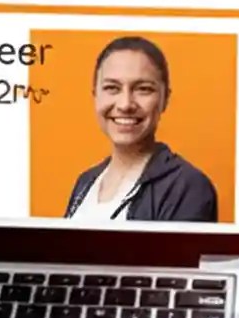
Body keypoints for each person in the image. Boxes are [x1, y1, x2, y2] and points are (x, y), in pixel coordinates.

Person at [64, 36, 218, 222]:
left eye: (143, 89)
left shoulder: (188, 187)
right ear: (95, 96)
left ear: (165, 99)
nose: (125, 104)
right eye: (112, 88)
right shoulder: (85, 182)